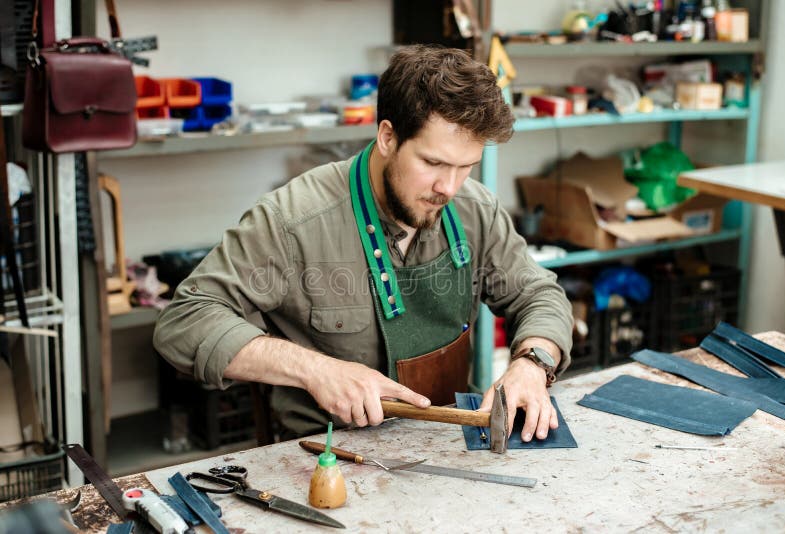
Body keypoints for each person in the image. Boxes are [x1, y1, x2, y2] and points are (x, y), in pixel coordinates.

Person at [154, 45, 573, 443]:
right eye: (433, 163)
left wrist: (533, 364)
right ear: (388, 137)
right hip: (325, 453)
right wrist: (315, 370)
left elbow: (538, 294)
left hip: (446, 441)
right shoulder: (293, 220)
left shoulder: (474, 209)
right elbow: (186, 322)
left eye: (466, 167)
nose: (448, 187)